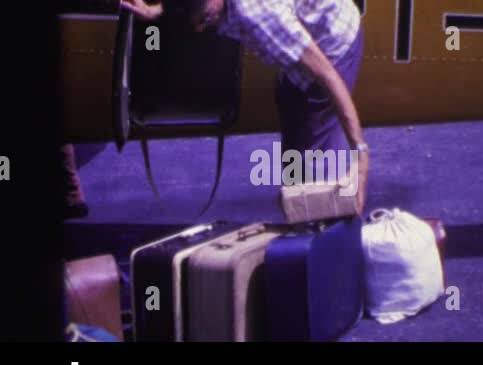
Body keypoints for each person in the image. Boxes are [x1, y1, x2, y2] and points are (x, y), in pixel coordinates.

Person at [121, 0, 370, 211]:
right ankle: (300, 205)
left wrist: (360, 152)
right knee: (296, 159)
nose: (198, 28)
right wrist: (160, 9)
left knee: (318, 174)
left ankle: (324, 227)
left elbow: (327, 75)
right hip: (298, 62)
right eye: (192, 16)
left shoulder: (256, 13)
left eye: (205, 17)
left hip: (332, 46)